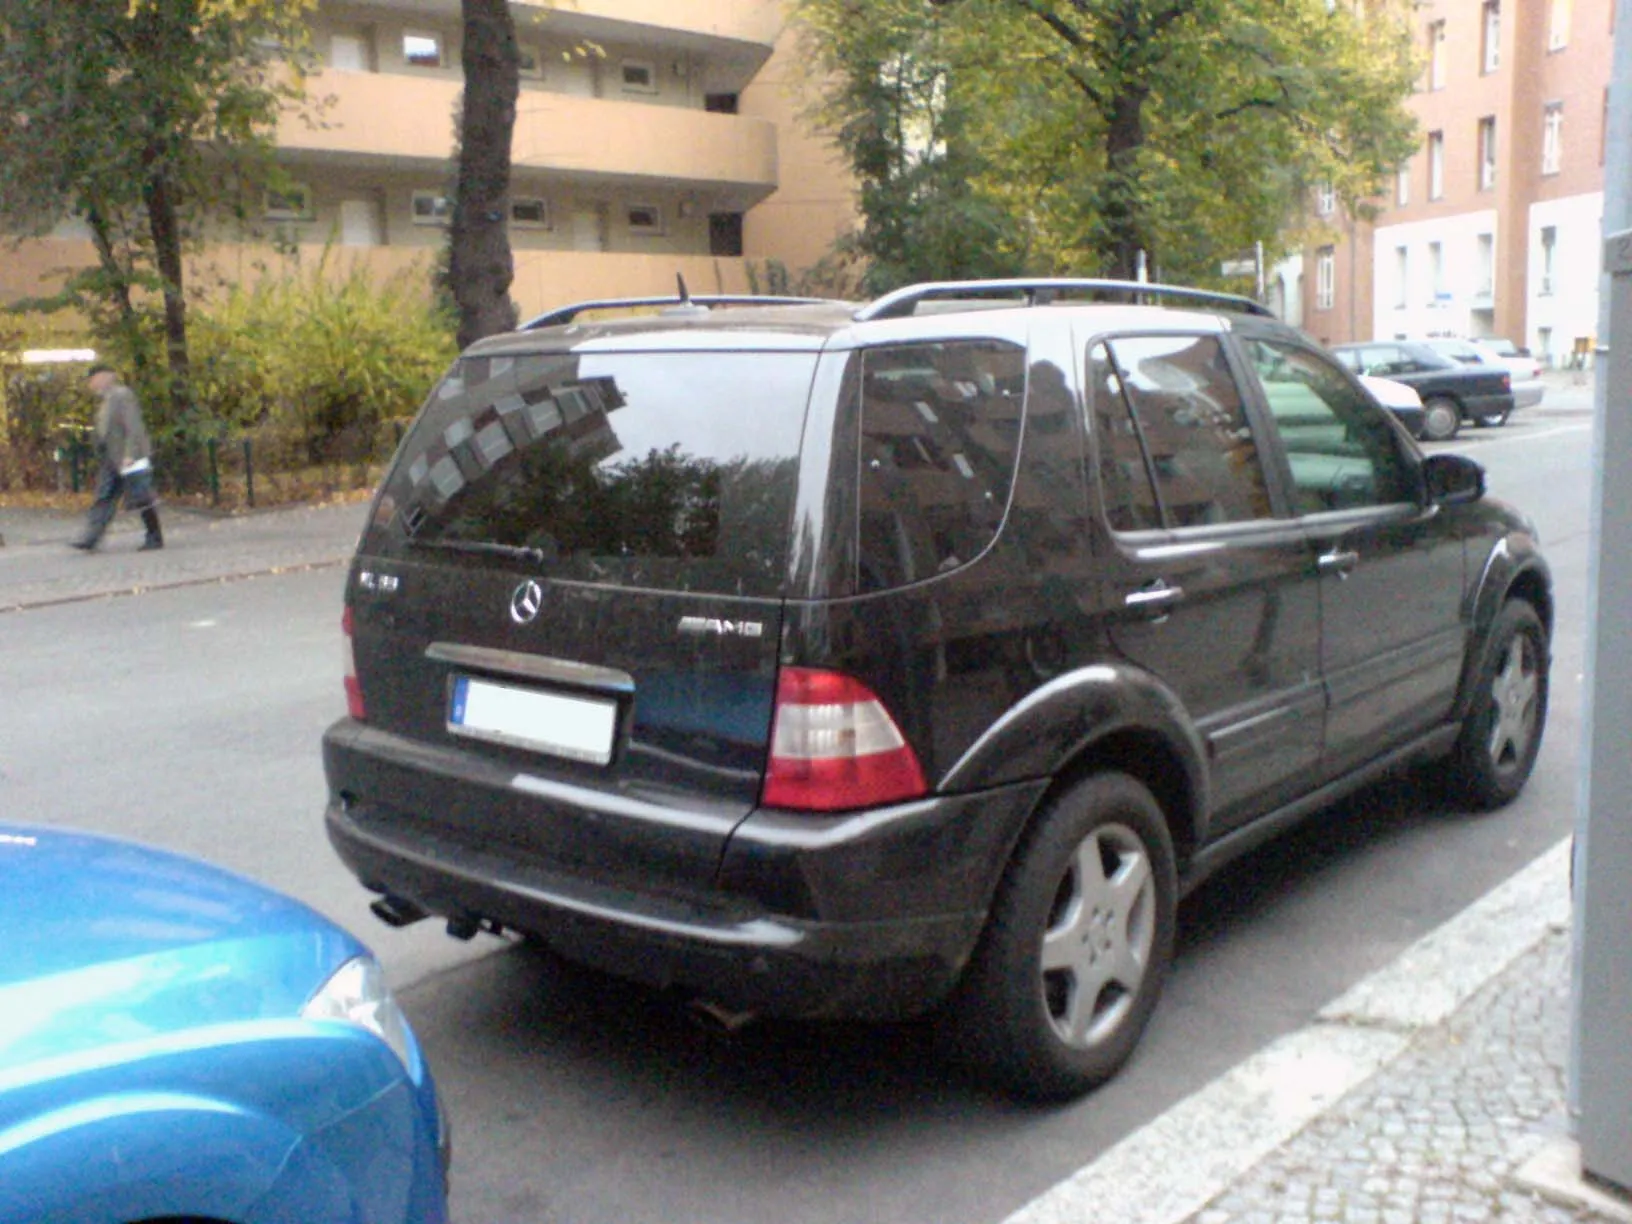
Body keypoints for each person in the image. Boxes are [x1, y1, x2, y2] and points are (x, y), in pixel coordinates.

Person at [72, 364, 163, 551]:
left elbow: (133, 426)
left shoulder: (122, 395)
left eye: (94, 378)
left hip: (130, 458)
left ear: (106, 377)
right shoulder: (106, 400)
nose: (92, 383)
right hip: (112, 458)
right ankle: (91, 538)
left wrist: (130, 453)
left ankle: (154, 536)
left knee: (141, 498)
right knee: (104, 496)